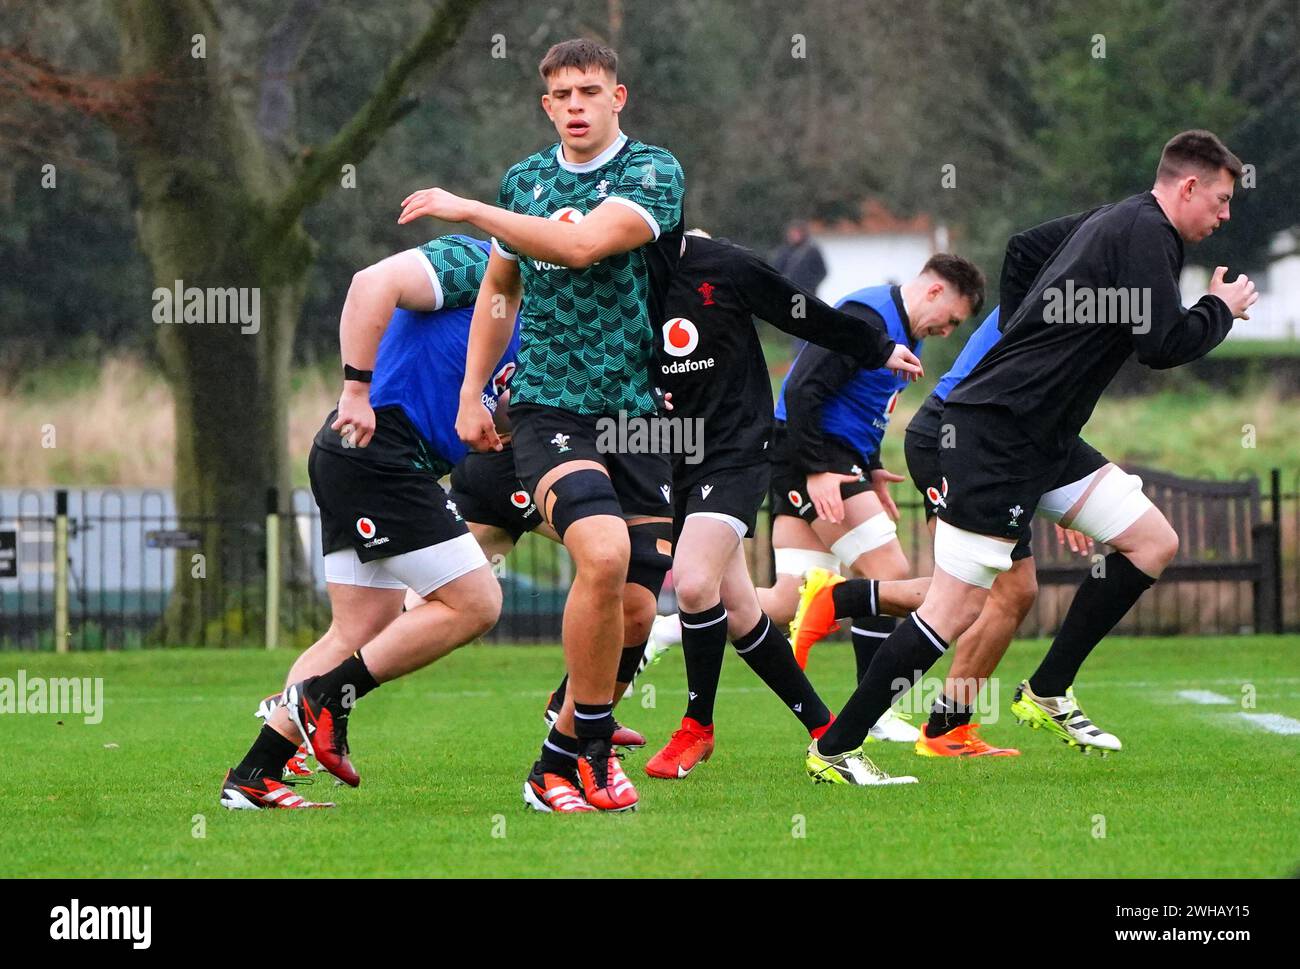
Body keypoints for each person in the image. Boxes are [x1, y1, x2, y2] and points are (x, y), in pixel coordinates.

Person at [805, 129, 1258, 785]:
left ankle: (1046, 689)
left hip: (1043, 437)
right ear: (1186, 187)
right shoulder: (1146, 232)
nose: (1223, 217)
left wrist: (1026, 331)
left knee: (1151, 541)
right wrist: (1219, 306)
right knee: (951, 608)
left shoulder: (1118, 219)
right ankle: (836, 747)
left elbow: (1023, 249)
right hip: (998, 435)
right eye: (1219, 201)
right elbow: (1161, 344)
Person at [397, 38, 684, 812]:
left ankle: (560, 755)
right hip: (549, 408)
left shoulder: (651, 172)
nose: (577, 106)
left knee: (633, 602)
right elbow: (500, 287)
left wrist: (470, 209)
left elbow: (585, 244)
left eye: (591, 92)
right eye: (562, 96)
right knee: (602, 550)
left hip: (637, 415)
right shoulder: (525, 180)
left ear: (617, 98)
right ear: (546, 105)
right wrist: (471, 392)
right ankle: (583, 752)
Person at [220, 235, 506, 809]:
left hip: (365, 459)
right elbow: (370, 282)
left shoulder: (549, 316)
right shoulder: (480, 261)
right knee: (477, 603)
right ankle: (323, 699)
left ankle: (255, 776)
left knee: (359, 630)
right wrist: (355, 388)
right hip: (378, 453)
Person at [628, 229, 924, 780]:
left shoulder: (727, 264)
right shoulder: (621, 277)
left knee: (694, 584)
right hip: (670, 458)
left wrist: (878, 348)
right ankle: (827, 734)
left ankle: (697, 727)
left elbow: (804, 314)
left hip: (736, 451)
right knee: (743, 610)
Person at [753, 255, 984, 741]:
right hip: (811, 454)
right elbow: (801, 389)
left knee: (781, 601)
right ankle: (872, 709)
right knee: (890, 573)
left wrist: (872, 466)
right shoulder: (868, 316)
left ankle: (662, 628)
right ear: (936, 292)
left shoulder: (904, 330)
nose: (948, 333)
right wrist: (817, 469)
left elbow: (867, 404)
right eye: (953, 321)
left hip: (828, 456)